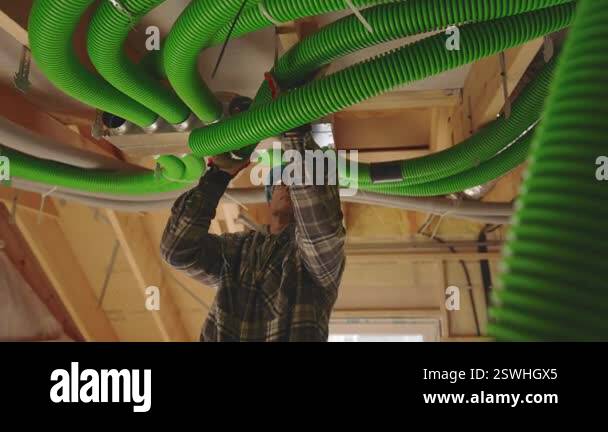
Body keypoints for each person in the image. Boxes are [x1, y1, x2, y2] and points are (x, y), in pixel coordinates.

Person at [160, 125, 346, 342]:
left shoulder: (239, 254)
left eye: (293, 178)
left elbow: (177, 251)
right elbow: (321, 225)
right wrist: (295, 132)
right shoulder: (244, 249)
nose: (288, 183)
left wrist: (219, 176)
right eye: (284, 179)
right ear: (270, 199)